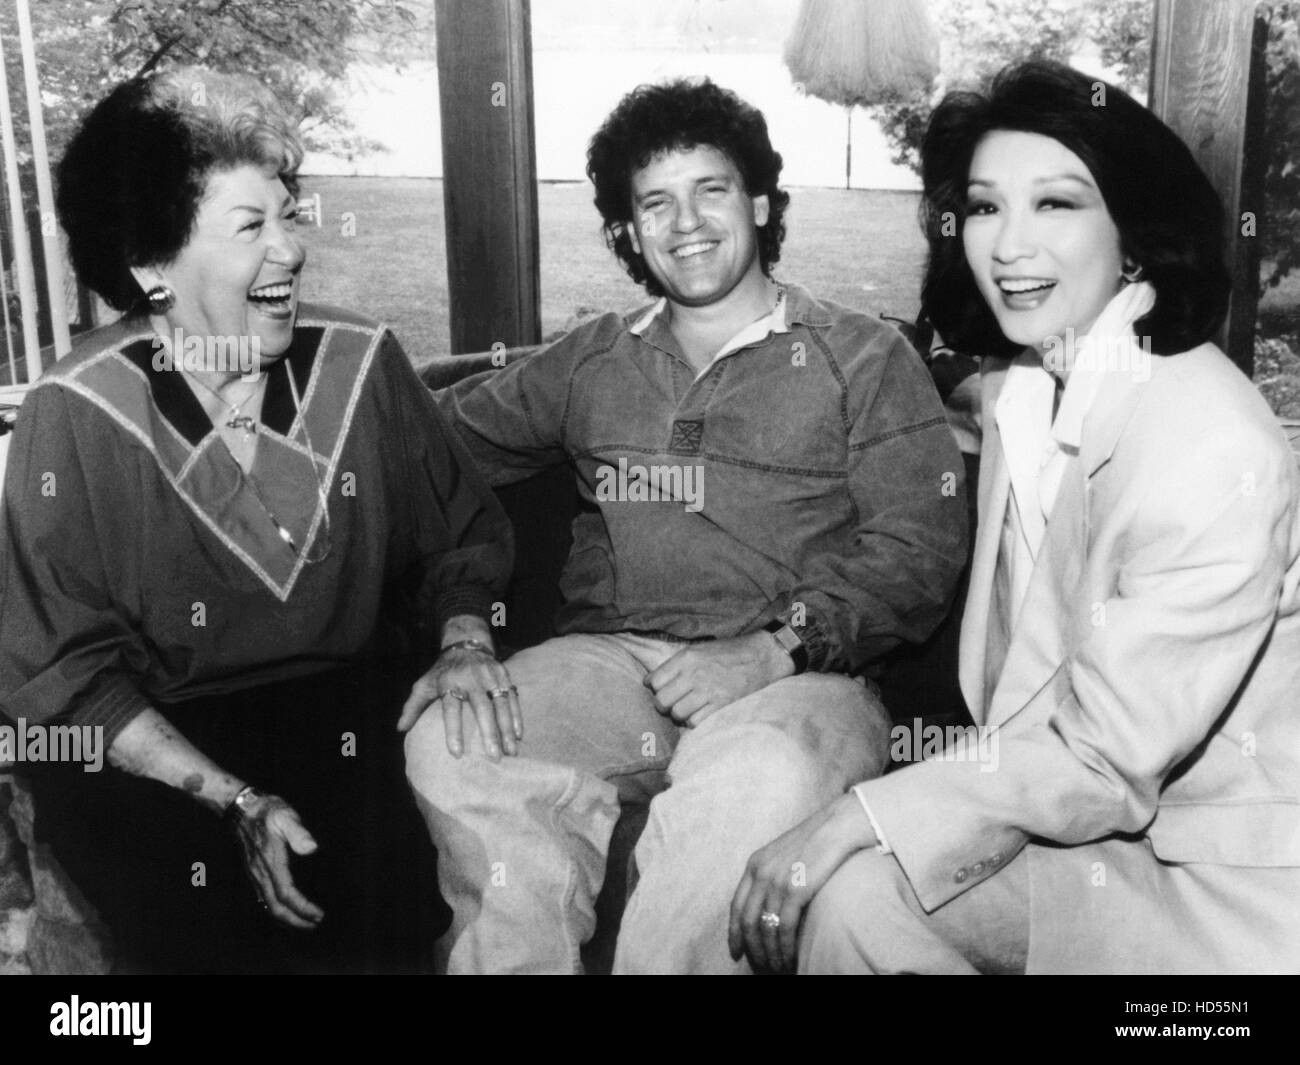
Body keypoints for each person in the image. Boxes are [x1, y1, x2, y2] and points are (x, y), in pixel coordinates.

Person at [729, 60, 1300, 974]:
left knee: (855, 858)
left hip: (1212, 894)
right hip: (1070, 843)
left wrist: (860, 811)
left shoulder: (1213, 447)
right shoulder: (1020, 387)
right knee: (851, 905)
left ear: (1135, 236)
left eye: (1057, 205)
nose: (1008, 246)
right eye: (987, 207)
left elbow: (1107, 759)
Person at [402, 77, 968, 974]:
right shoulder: (593, 354)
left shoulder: (862, 353)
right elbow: (425, 446)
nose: (686, 222)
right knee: (453, 735)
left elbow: (918, 551)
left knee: (757, 780)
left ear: (761, 202)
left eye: (710, 190)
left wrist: (775, 647)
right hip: (615, 664)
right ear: (627, 232)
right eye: (653, 203)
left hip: (799, 681)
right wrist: (464, 621)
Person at [0, 67, 514, 974]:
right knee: (199, 928)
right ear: (151, 265)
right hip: (152, 740)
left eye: (289, 215)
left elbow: (456, 537)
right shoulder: (76, 411)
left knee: (376, 911)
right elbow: (59, 673)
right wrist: (234, 800)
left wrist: (466, 636)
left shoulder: (362, 362)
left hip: (343, 711)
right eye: (250, 226)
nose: (290, 251)